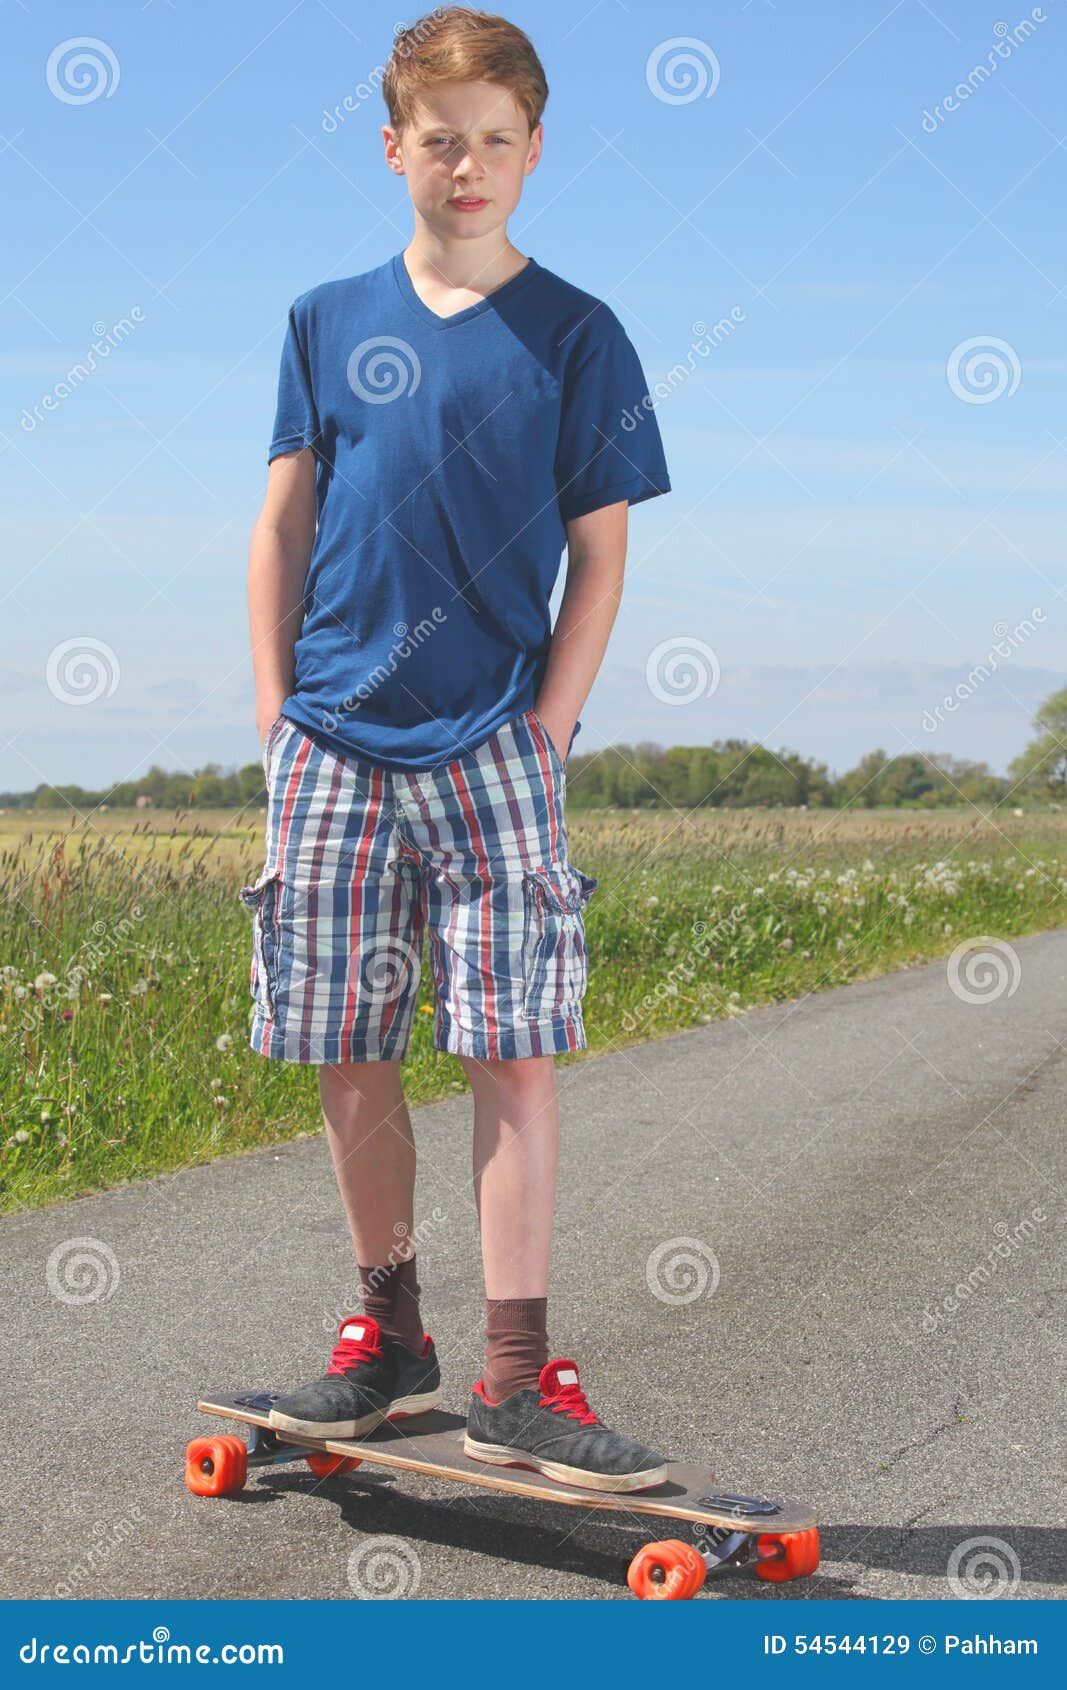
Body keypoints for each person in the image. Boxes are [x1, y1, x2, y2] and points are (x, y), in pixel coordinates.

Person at [243, 6, 671, 1492]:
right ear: (395, 150)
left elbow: (599, 555)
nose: (469, 165)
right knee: (350, 1051)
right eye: (442, 142)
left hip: (496, 739)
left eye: (497, 141)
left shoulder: (578, 332)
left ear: (535, 151)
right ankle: (389, 1330)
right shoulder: (323, 316)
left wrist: (551, 722)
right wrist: (272, 707)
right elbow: (287, 520)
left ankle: (515, 1377)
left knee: (514, 1050)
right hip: (335, 738)